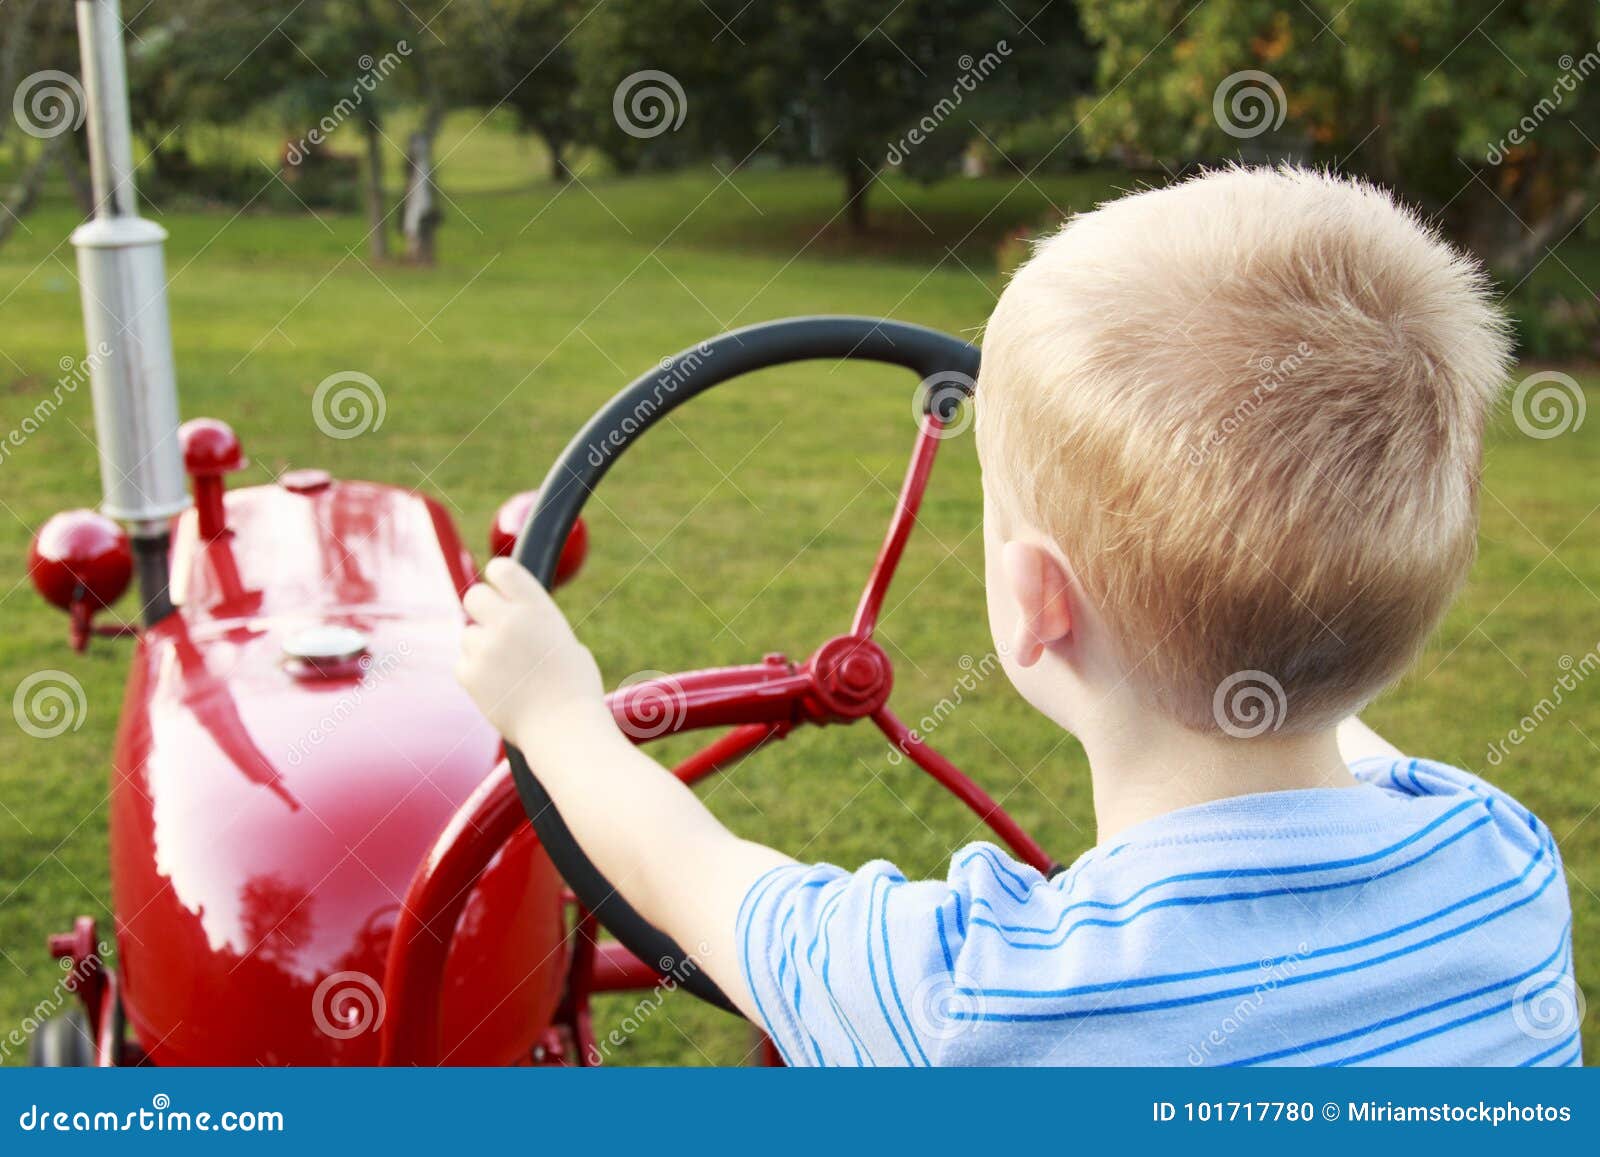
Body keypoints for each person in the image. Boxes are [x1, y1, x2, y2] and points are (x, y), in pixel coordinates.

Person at [456, 166, 1579, 1066]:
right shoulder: (1500, 863)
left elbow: (684, 870)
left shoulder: (970, 1003)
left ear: (1039, 601)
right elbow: (1318, 682)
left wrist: (551, 708)